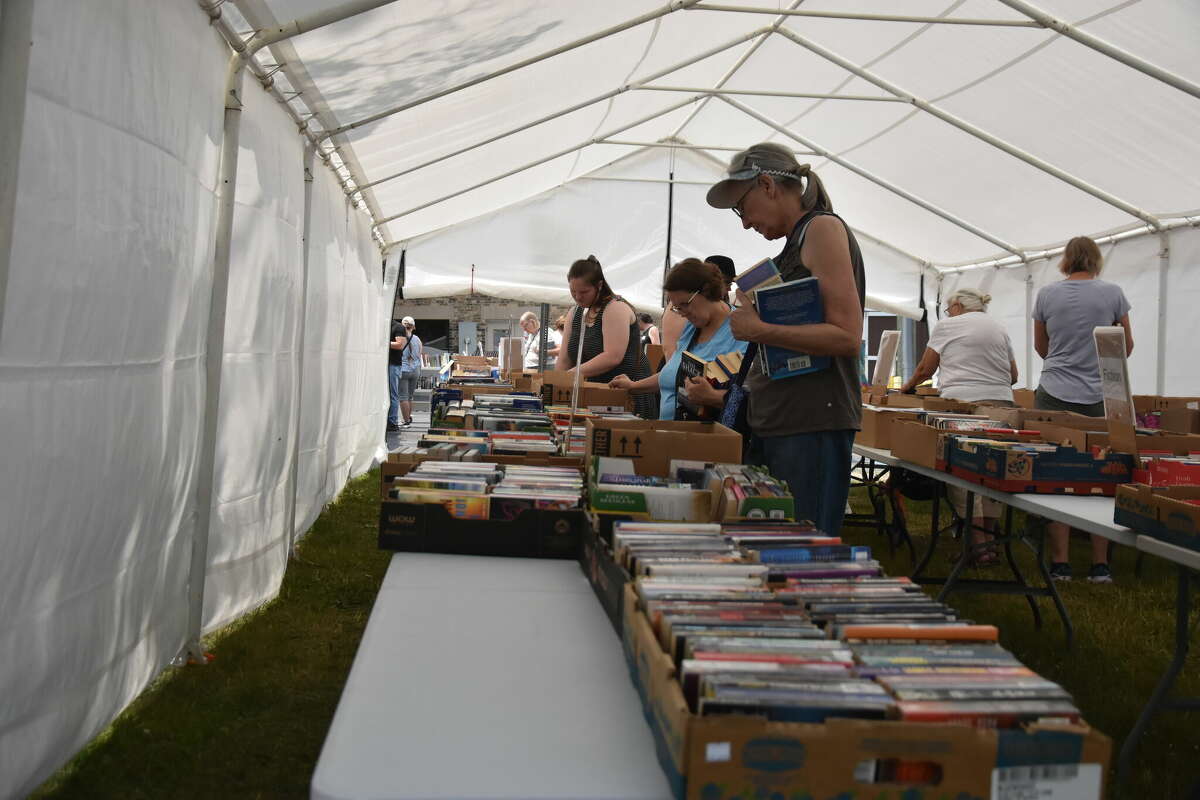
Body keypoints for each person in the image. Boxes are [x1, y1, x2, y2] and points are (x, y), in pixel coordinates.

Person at [707, 142, 865, 536]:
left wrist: (759, 329)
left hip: (810, 420)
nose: (744, 223)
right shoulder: (797, 242)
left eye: (742, 208)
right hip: (785, 419)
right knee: (775, 546)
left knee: (802, 549)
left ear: (767, 185)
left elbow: (847, 335)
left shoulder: (822, 228)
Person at [1033, 235, 1133, 584]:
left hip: (1054, 391)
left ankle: (1060, 563)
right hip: (1098, 393)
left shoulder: (1047, 294)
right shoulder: (1113, 293)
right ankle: (1100, 564)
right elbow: (1125, 347)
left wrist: (1065, 362)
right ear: (1095, 259)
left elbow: (1041, 346)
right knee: (1100, 475)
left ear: (1066, 260)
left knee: (1054, 474)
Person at [900, 288, 1019, 564]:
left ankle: (978, 547)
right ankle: (990, 543)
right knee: (994, 473)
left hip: (965, 408)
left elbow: (924, 370)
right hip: (1004, 406)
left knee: (965, 473)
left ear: (956, 306)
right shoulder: (998, 328)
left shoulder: (948, 325)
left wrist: (905, 389)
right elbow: (1013, 375)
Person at [610, 259, 747, 420]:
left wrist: (714, 396)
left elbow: (753, 402)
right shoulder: (692, 327)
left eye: (685, 304)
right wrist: (634, 386)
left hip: (709, 441)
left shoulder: (742, 332)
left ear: (707, 291)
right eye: (677, 308)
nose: (682, 313)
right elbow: (673, 374)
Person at [558, 256, 655, 418]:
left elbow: (613, 356)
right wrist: (558, 383)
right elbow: (564, 358)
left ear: (599, 286)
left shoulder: (615, 308)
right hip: (598, 392)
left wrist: (572, 374)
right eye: (573, 291)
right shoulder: (575, 313)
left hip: (628, 393)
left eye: (584, 292)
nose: (578, 297)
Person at [396, 316, 422, 428]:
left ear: (402, 325)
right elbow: (420, 353)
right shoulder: (417, 339)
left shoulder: (400, 338)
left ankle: (405, 420)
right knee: (410, 396)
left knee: (403, 397)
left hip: (404, 369)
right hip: (415, 370)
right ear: (413, 327)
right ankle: (408, 416)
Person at [387, 319, 409, 432]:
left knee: (393, 394)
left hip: (393, 365)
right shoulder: (381, 326)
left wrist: (384, 342)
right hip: (385, 365)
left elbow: (400, 345)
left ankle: (392, 422)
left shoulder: (398, 327)